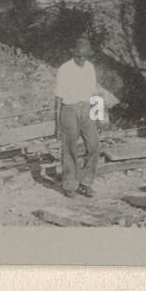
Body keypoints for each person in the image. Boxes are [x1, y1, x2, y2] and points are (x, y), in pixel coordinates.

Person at [55, 37, 102, 198]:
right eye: (78, 56)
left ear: (88, 55)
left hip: (87, 109)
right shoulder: (64, 69)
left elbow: (95, 92)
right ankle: (70, 185)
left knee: (94, 146)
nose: (81, 59)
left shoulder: (90, 68)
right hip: (69, 110)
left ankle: (86, 182)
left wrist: (98, 116)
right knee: (69, 148)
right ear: (74, 54)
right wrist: (57, 125)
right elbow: (58, 98)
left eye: (84, 56)